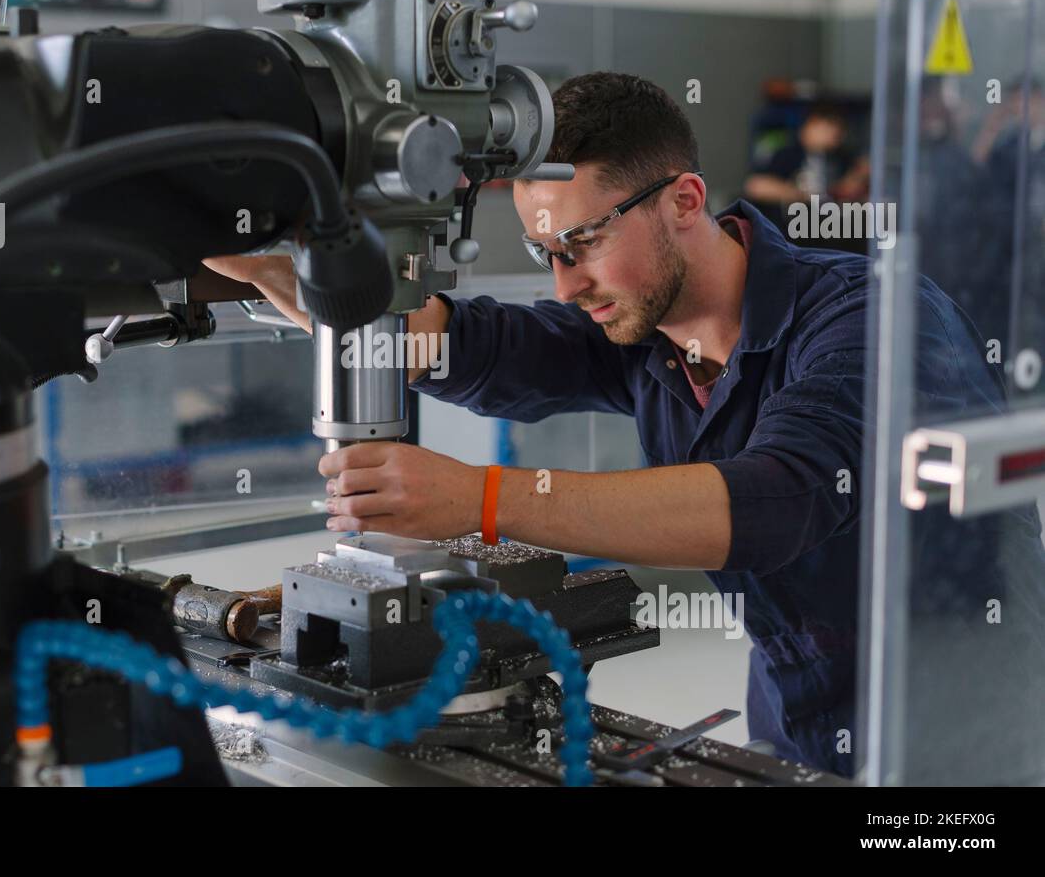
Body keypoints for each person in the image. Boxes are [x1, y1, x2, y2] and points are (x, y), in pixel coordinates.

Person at [205, 72, 1043, 780]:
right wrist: (325, 288)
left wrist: (480, 498)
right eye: (547, 253)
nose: (567, 286)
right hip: (799, 724)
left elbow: (774, 500)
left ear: (684, 199)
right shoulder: (650, 329)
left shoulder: (871, 319)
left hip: (960, 739)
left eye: (583, 242)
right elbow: (495, 343)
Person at [743, 102, 869, 249]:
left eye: (839, 128)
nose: (836, 134)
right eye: (829, 126)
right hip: (791, 231)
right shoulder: (787, 154)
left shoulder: (840, 158)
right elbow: (756, 185)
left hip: (831, 230)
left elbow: (851, 184)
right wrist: (802, 195)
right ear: (810, 125)